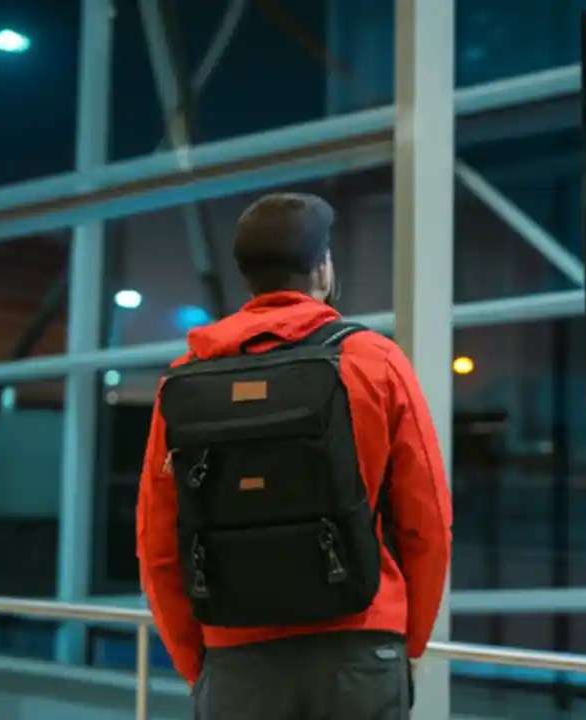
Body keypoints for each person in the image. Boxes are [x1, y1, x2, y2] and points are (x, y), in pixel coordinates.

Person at [136, 193, 452, 719]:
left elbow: (158, 544)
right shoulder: (372, 361)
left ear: (246, 277)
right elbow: (429, 523)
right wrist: (401, 641)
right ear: (323, 267)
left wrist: (202, 659)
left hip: (235, 655)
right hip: (359, 647)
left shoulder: (186, 379)